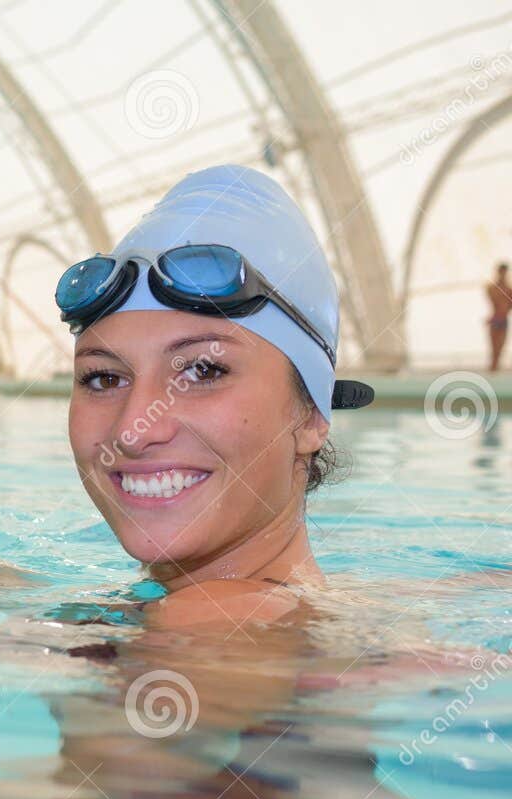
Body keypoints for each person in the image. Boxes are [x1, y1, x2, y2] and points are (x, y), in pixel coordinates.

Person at [53, 164, 374, 629]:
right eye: (104, 378)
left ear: (310, 417)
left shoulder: (208, 624)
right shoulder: (326, 609)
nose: (133, 429)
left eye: (203, 370)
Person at [487, 262, 511, 372]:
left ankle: (495, 369)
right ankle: (493, 370)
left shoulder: (509, 289)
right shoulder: (492, 287)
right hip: (495, 319)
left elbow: (508, 306)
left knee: (500, 348)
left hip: (503, 320)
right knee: (494, 349)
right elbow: (495, 301)